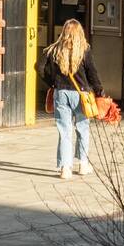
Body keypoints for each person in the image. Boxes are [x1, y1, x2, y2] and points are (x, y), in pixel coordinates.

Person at [39, 18, 104, 180]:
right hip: (81, 95)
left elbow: (39, 67)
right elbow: (92, 74)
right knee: (83, 128)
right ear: (79, 33)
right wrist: (99, 91)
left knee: (64, 131)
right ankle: (82, 164)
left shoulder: (54, 50)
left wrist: (52, 82)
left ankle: (65, 168)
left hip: (61, 93)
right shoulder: (84, 50)